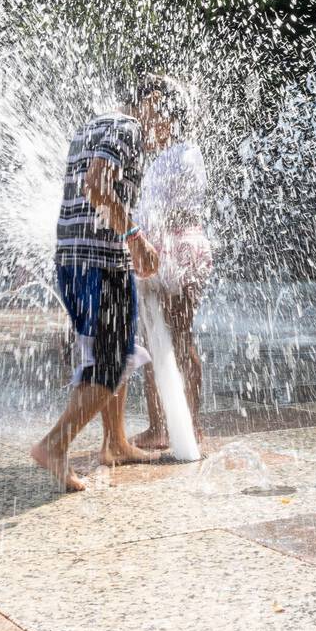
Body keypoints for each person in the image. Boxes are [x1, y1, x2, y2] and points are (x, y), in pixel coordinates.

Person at [31, 75, 174, 492]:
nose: (169, 133)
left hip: (73, 258)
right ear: (152, 102)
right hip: (101, 261)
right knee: (111, 362)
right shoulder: (128, 128)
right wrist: (135, 237)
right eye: (171, 119)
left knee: (112, 351)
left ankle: (114, 442)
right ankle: (54, 445)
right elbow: (97, 186)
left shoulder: (96, 124)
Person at [131, 136, 213, 453]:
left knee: (171, 338)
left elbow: (178, 207)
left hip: (176, 247)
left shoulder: (184, 152)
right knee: (168, 338)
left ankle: (171, 427)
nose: (147, 125)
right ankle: (180, 424)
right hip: (176, 244)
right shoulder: (171, 153)